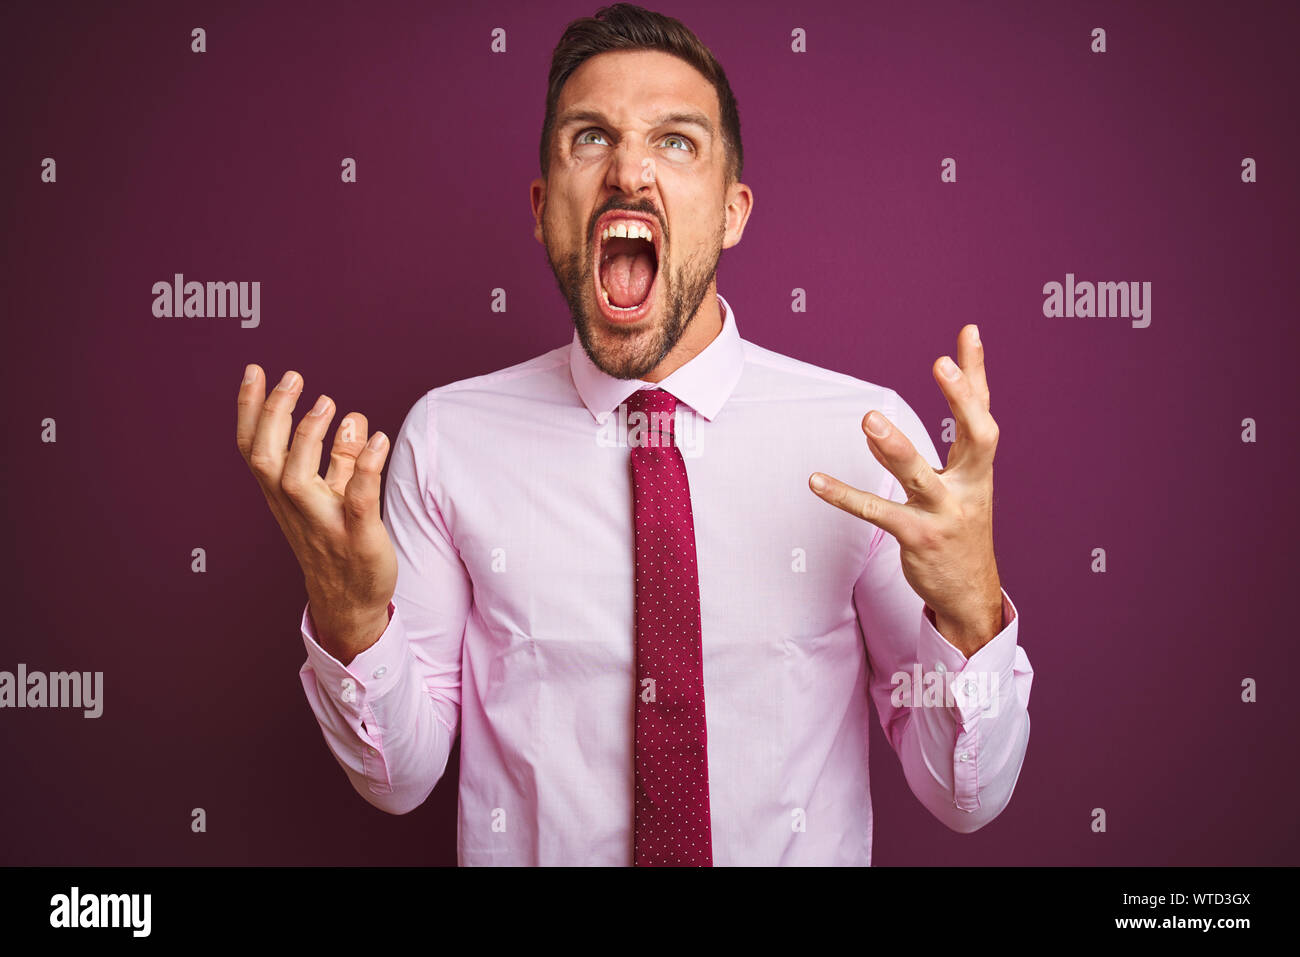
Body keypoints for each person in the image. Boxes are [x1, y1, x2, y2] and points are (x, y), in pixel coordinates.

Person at [235, 3, 1032, 866]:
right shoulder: (448, 439)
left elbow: (964, 799)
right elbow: (400, 778)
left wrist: (971, 608)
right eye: (590, 138)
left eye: (677, 142)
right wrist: (351, 617)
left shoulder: (863, 440)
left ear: (732, 212)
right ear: (544, 208)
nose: (628, 172)